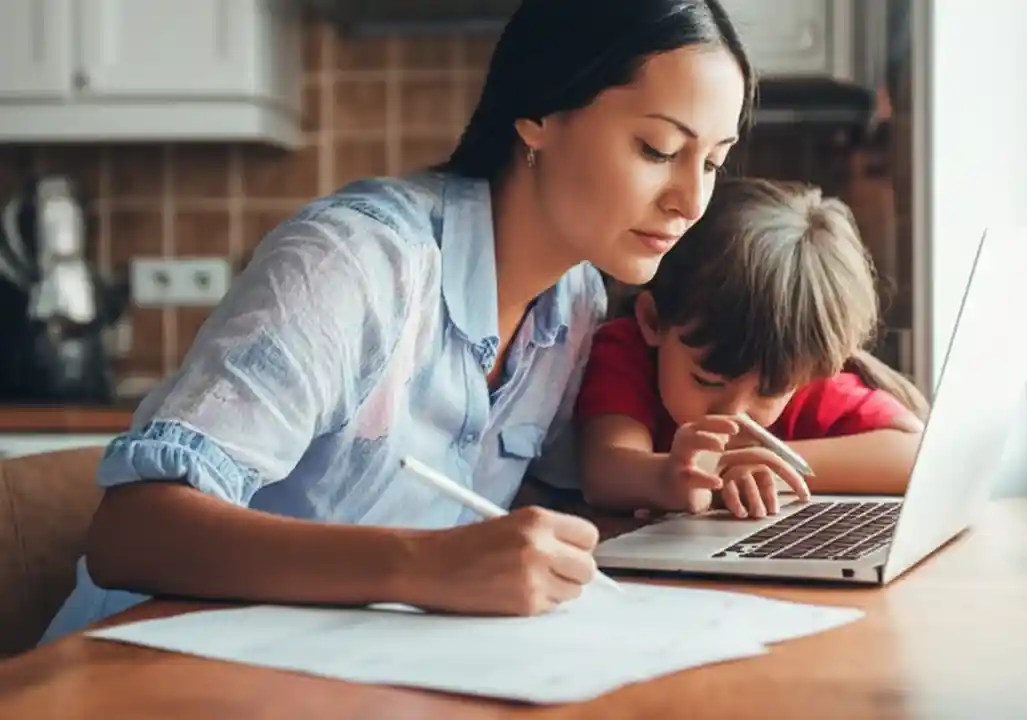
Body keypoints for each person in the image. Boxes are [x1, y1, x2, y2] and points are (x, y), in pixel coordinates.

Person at [40, 0, 756, 643]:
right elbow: (131, 533)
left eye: (715, 162)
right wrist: (424, 565)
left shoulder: (574, 304)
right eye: (658, 150)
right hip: (146, 676)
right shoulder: (354, 264)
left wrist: (669, 487)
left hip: (343, 675)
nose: (691, 200)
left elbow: (516, 501)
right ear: (539, 114)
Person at [576, 177, 928, 520]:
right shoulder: (627, 352)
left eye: (769, 392)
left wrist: (762, 468)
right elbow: (606, 471)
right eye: (707, 381)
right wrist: (671, 478)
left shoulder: (790, 371)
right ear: (653, 321)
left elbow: (917, 456)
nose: (734, 414)